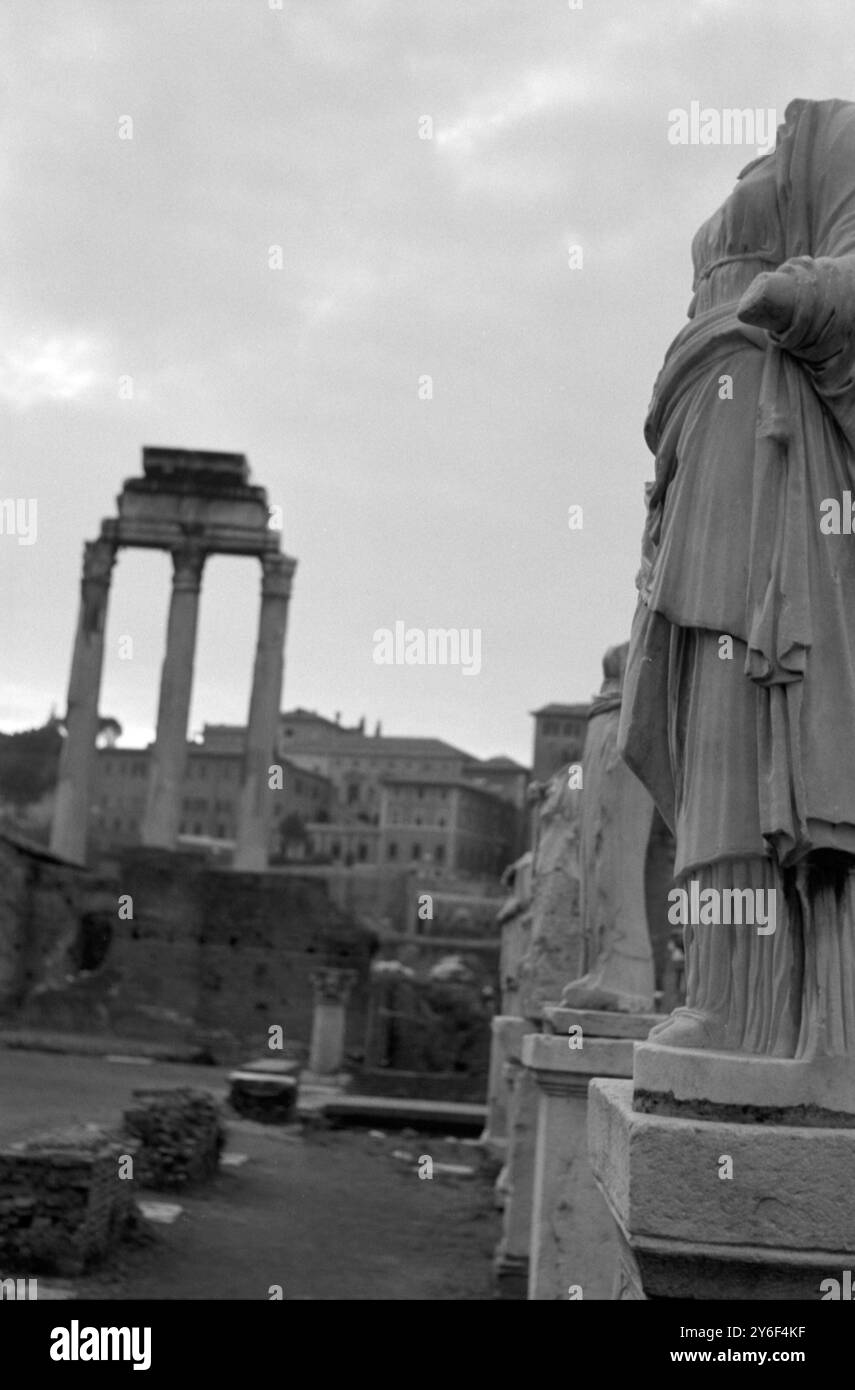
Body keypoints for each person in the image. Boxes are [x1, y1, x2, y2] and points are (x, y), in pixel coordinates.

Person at [619, 98, 855, 1057]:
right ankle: (719, 981)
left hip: (774, 444)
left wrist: (797, 296)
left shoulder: (833, 139)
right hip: (704, 440)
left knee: (742, 707)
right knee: (697, 712)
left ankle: (750, 1006)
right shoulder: (806, 131)